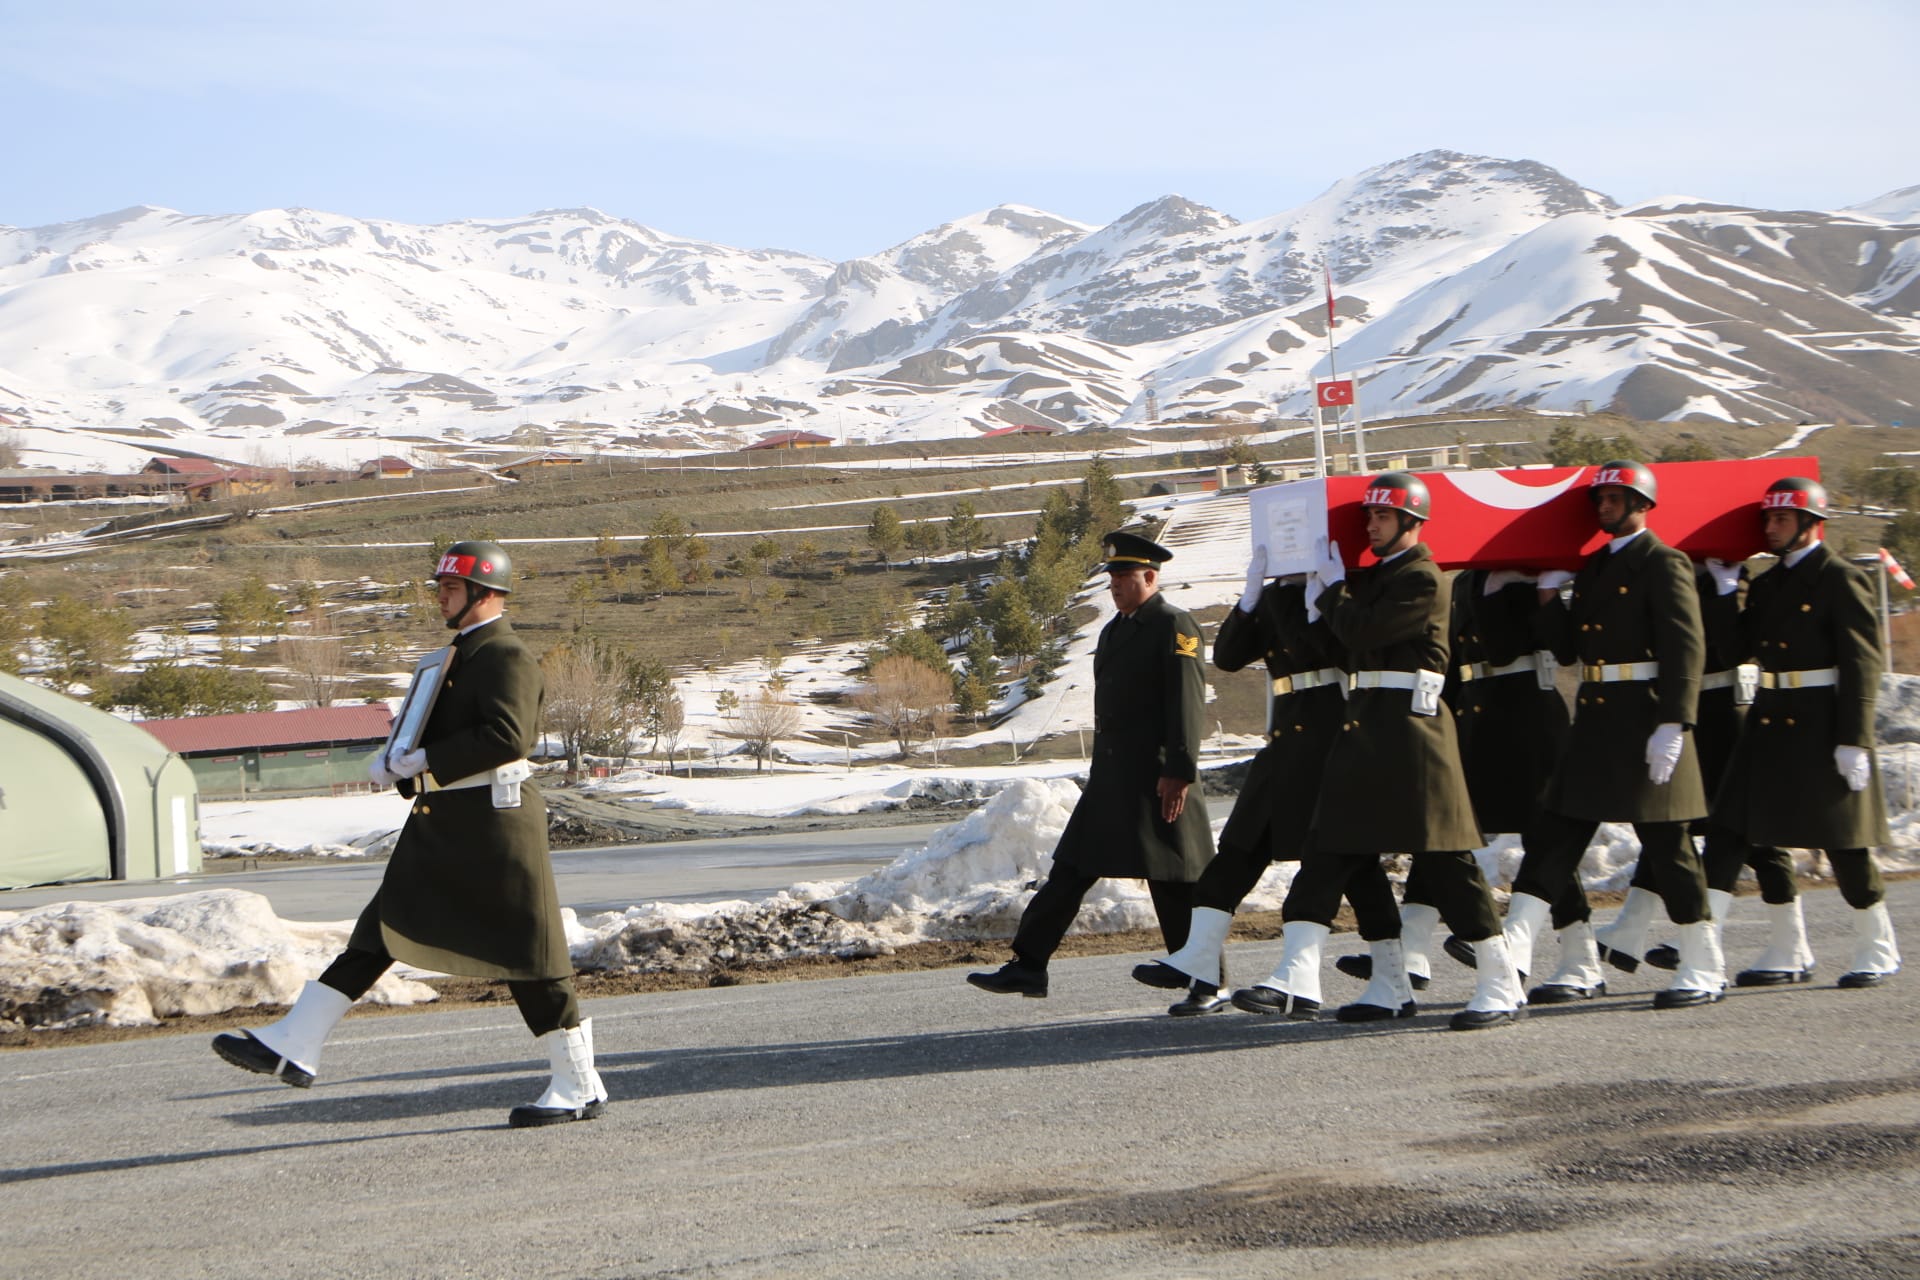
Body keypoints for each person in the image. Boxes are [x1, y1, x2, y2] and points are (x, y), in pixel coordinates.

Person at [213, 540, 608, 1128]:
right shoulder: (461, 655)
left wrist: (421, 759)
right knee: (381, 928)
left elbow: (507, 737)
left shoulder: (505, 655)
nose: (441, 598)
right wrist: (399, 759)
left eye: (451, 588)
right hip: (447, 820)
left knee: (531, 957)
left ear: (484, 593)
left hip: (494, 827)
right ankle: (296, 1041)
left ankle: (578, 1083)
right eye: (442, 588)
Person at [1230, 473, 1523, 1031]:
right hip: (1364, 728)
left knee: (1445, 861)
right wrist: (1312, 602)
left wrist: (1334, 593)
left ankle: (1501, 980)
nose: (1371, 525)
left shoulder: (1422, 579)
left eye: (1382, 517)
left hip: (1413, 733)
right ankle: (1357, 979)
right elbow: (1339, 644)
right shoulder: (1372, 579)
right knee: (1329, 849)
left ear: (1412, 522)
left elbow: (1364, 633)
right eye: (1368, 517)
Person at [1491, 460, 1723, 1011]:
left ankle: (1705, 964)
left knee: (1669, 846)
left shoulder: (1663, 563)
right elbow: (1570, 650)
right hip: (1596, 719)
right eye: (1600, 500)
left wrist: (1675, 721)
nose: (1603, 508)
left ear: (1641, 504)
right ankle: (1517, 948)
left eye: (1614, 500)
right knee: (1556, 834)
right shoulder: (1592, 568)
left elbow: (1684, 646)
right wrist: (1549, 598)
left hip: (1646, 718)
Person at [968, 530, 1214, 997]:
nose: (1115, 584)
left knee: (1174, 879)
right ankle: (1029, 964)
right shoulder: (1116, 629)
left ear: (1150, 575)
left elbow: (1187, 703)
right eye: (1112, 576)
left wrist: (1179, 771)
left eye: (1123, 575)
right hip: (1113, 779)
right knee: (1071, 868)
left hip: (1155, 777)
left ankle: (1203, 977)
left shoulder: (1174, 625)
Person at [1130, 545, 1351, 1015]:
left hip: (1331, 737)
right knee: (1237, 849)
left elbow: (1330, 651)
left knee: (1344, 867)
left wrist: (1325, 595)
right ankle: (1200, 958)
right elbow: (1229, 656)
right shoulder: (1277, 598)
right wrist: (1251, 599)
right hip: (1285, 740)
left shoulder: (1339, 594)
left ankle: (1393, 974)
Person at [1709, 477, 1900, 988]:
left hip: (1823, 720)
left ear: (1812, 525)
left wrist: (1854, 737)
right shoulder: (1768, 584)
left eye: (1782, 519)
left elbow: (1864, 663)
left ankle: (1876, 947)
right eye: (1768, 520)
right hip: (1772, 717)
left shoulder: (1839, 578)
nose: (1770, 528)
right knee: (1733, 829)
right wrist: (1728, 595)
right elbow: (1735, 653)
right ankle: (1777, 949)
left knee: (1843, 840)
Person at [1592, 557, 1765, 979]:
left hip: (1725, 709)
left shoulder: (1728, 571)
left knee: (1738, 830)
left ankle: (1780, 943)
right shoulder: (1669, 570)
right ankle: (1632, 930)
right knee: (1672, 822)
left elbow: (1729, 648)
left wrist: (1725, 590)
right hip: (1686, 706)